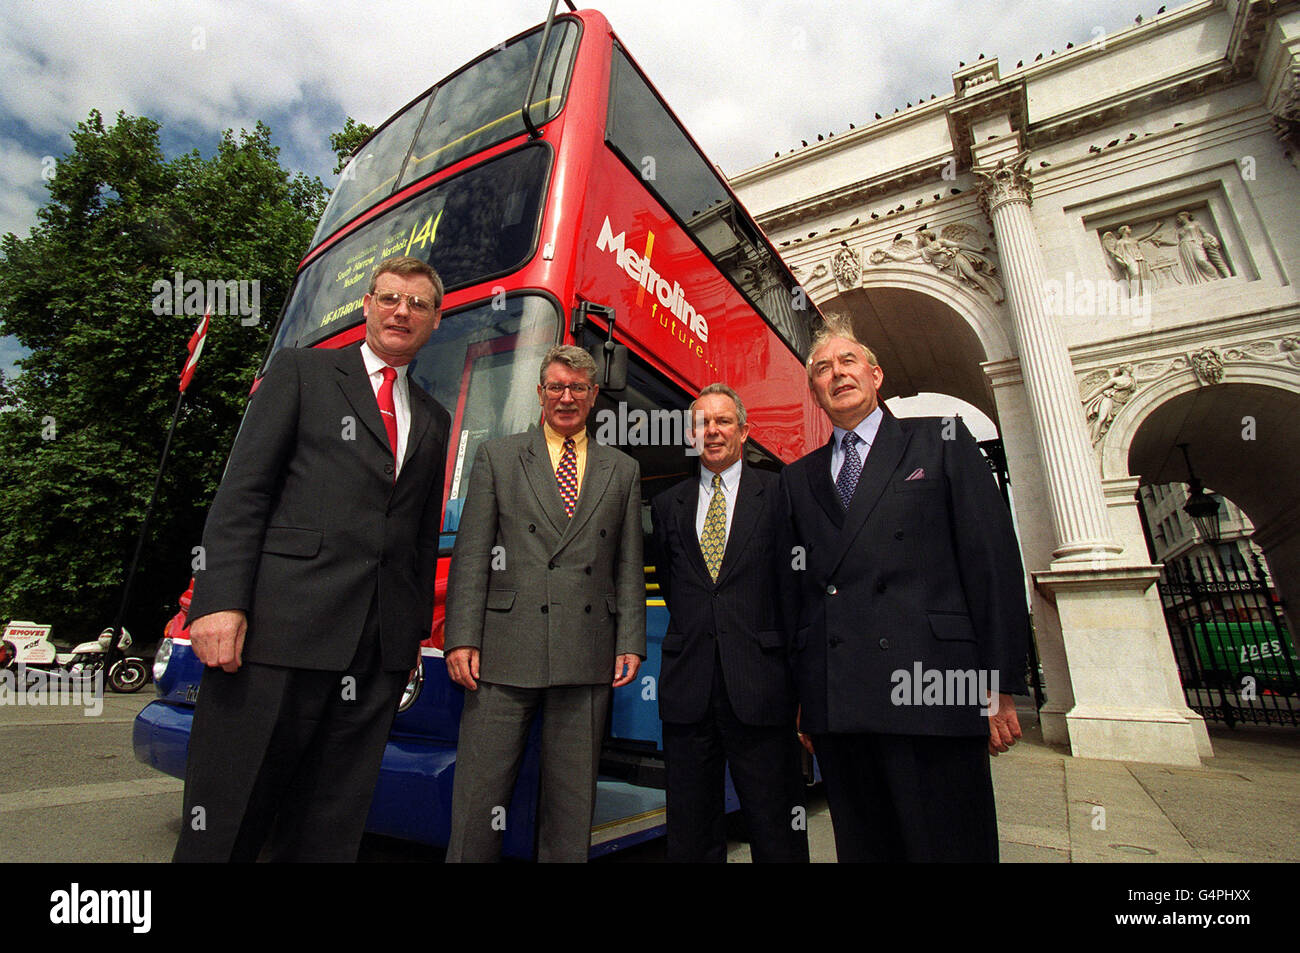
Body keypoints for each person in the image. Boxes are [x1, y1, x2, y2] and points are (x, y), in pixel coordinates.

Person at [173, 255, 450, 862]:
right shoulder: (302, 371)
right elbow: (244, 492)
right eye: (389, 298)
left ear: (435, 321)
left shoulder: (434, 417)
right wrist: (219, 602)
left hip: (375, 654)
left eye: (418, 304)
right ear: (367, 306)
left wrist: (407, 644)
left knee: (330, 824)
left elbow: (419, 538)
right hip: (277, 635)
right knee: (228, 812)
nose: (402, 311)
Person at [779, 326, 1028, 862]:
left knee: (948, 846)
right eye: (823, 369)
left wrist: (999, 682)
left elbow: (990, 561)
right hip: (841, 705)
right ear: (815, 390)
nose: (837, 372)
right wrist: (806, 699)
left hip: (934, 690)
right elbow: (800, 597)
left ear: (875, 375)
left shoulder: (939, 437)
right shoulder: (797, 480)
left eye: (848, 360)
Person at [443, 345, 644, 862]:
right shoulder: (498, 456)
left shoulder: (622, 470)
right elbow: (471, 556)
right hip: (504, 650)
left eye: (577, 388)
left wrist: (630, 641)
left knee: (572, 807)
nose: (566, 397)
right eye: (556, 386)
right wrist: (461, 638)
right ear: (540, 393)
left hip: (587, 650)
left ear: (594, 395)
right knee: (479, 797)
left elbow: (626, 565)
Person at [649, 384, 808, 863]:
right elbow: (673, 586)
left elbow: (794, 594)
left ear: (744, 430)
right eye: (702, 423)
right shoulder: (666, 505)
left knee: (775, 824)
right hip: (688, 691)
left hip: (762, 688)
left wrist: (802, 687)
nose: (712, 431)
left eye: (722, 421)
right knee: (691, 830)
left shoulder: (780, 494)